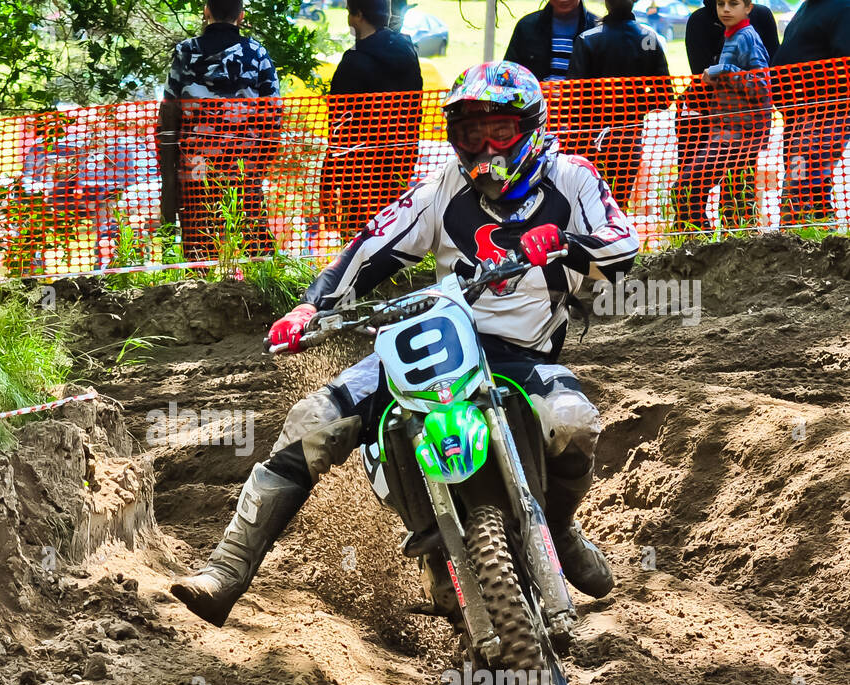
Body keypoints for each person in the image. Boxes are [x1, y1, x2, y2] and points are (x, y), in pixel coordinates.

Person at [172, 61, 641, 628]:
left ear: (532, 127)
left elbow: (622, 246)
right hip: (443, 341)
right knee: (312, 419)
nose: (485, 145)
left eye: (499, 130)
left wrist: (565, 241)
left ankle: (560, 529)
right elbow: (372, 247)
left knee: (574, 422)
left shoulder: (573, 179)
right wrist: (310, 306)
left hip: (524, 354)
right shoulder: (443, 186)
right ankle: (226, 571)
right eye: (471, 132)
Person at [157, 0, 280, 261]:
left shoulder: (186, 52)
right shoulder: (257, 54)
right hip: (244, 172)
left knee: (199, 258)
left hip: (196, 173)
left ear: (206, 11)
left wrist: (170, 174)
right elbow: (273, 116)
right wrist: (260, 167)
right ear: (241, 16)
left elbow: (168, 114)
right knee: (256, 254)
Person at [321, 0, 424, 238]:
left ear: (358, 15)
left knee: (355, 240)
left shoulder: (352, 64)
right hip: (400, 159)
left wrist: (328, 178)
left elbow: (338, 127)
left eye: (349, 12)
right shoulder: (409, 54)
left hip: (358, 171)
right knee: (390, 234)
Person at [680, 0, 779, 228]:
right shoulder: (729, 34)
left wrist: (724, 70)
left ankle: (713, 243)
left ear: (748, 8)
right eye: (721, 4)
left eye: (733, 4)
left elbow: (762, 85)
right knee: (717, 193)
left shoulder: (746, 37)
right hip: (726, 131)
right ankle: (711, 244)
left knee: (688, 188)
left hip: (739, 135)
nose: (725, 9)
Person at [566, 0, 673, 210]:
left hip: (590, 139)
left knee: (586, 203)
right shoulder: (648, 38)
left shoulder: (588, 39)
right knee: (618, 206)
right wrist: (638, 107)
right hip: (629, 136)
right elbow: (665, 96)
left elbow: (573, 97)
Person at [772, 0, 850, 224]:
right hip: (798, 115)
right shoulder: (806, 8)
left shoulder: (843, 8)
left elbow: (843, 61)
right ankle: (823, 233)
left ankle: (793, 236)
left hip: (827, 113)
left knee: (803, 177)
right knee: (807, 177)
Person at [504, 0, 601, 81]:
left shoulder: (598, 31)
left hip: (582, 102)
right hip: (537, 102)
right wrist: (537, 90)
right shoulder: (526, 27)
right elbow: (507, 75)